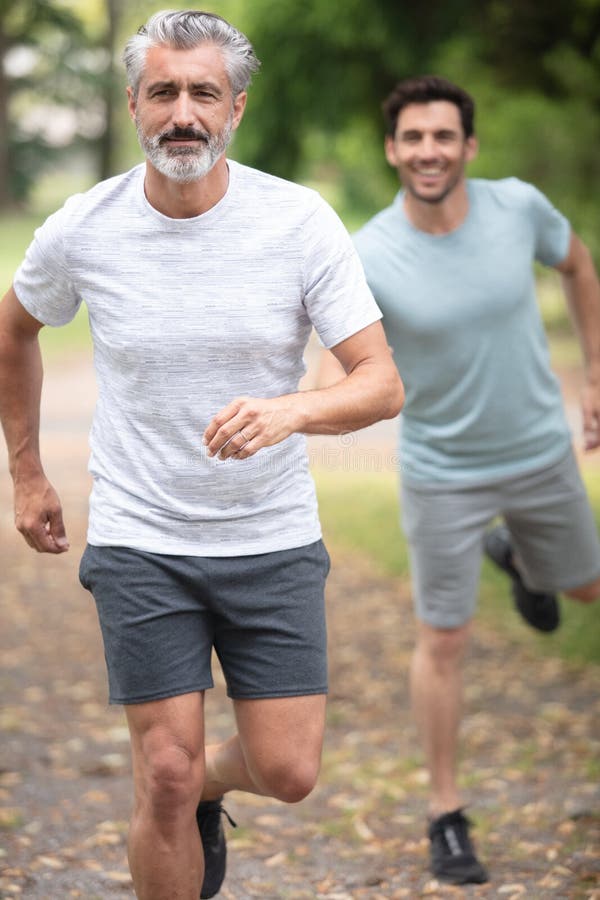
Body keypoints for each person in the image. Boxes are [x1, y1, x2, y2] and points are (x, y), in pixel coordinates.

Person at [0, 11, 404, 900]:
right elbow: (15, 328)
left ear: (236, 108)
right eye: (164, 93)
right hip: (142, 538)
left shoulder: (298, 222)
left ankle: (211, 788)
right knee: (164, 771)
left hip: (271, 536)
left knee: (290, 771)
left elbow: (381, 384)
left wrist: (292, 411)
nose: (183, 114)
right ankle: (186, 792)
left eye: (204, 93)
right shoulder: (84, 227)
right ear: (134, 104)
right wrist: (26, 472)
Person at [324, 75, 600, 885]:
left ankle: (520, 558)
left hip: (540, 451)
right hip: (441, 471)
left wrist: (595, 372)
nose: (429, 151)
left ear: (468, 146)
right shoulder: (368, 253)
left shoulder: (518, 208)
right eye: (413, 137)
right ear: (392, 150)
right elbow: (344, 363)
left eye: (443, 136)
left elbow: (577, 263)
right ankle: (446, 815)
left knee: (586, 590)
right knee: (443, 638)